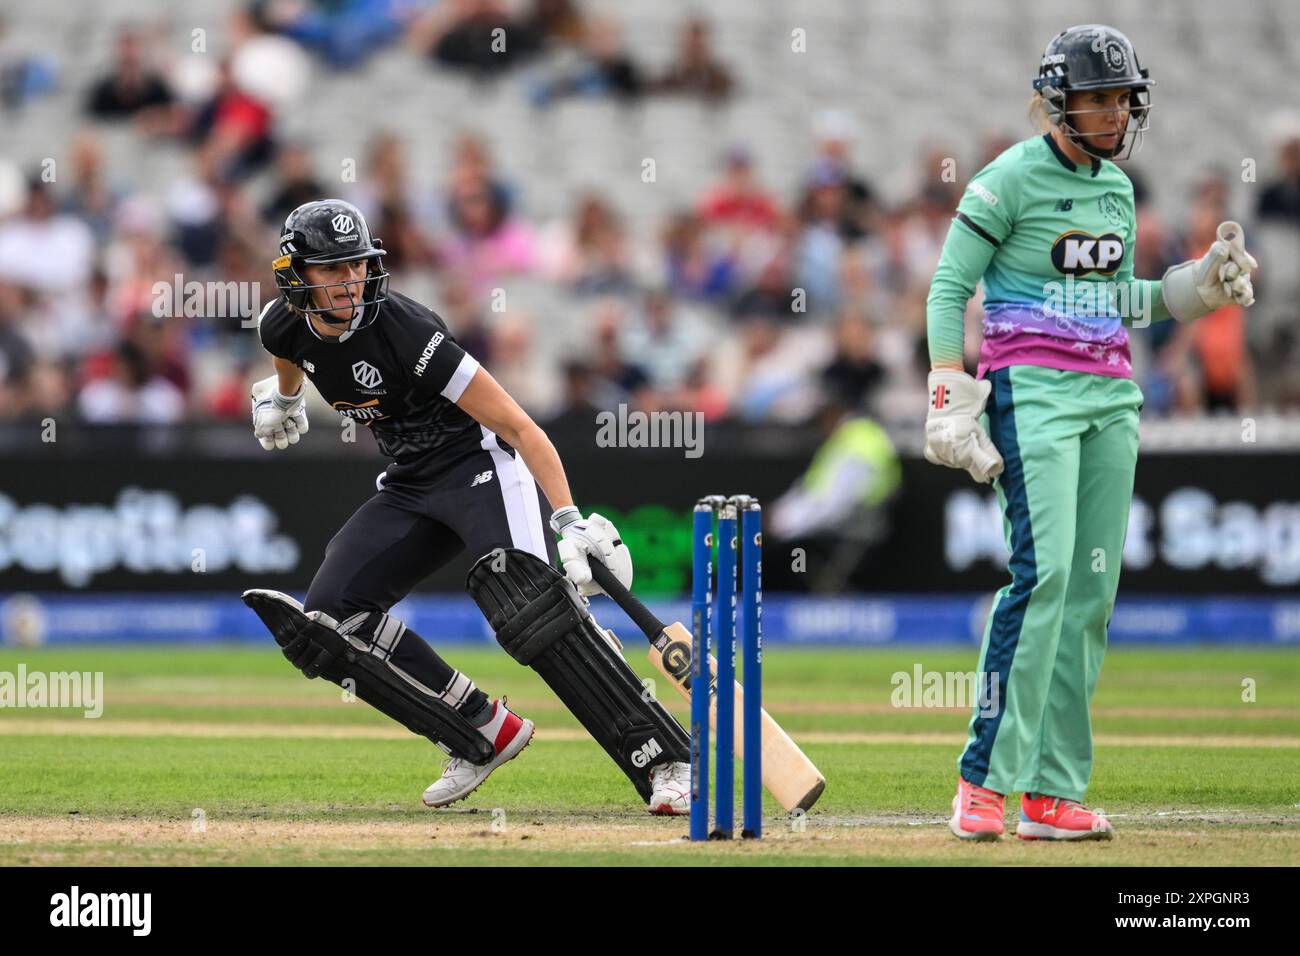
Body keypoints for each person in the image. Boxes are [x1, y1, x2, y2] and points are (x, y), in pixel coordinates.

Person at [246, 199, 692, 813]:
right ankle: (479, 730)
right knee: (330, 618)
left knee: (535, 615)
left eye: (357, 265)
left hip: (478, 467)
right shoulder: (282, 324)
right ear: (297, 276)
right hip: (409, 481)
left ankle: (669, 761)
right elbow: (290, 356)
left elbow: (519, 426)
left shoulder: (407, 331)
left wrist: (566, 518)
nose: (350, 280)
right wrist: (287, 400)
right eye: (332, 269)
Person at [924, 25, 1258, 842]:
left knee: (1089, 597)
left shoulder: (1117, 187)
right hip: (1032, 392)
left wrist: (1199, 289)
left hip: (1111, 395)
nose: (1113, 113)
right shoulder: (1007, 178)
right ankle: (983, 782)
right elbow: (947, 288)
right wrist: (946, 388)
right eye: (1098, 98)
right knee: (1045, 578)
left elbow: (1119, 303)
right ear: (1058, 100)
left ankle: (1050, 792)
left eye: (1122, 99)